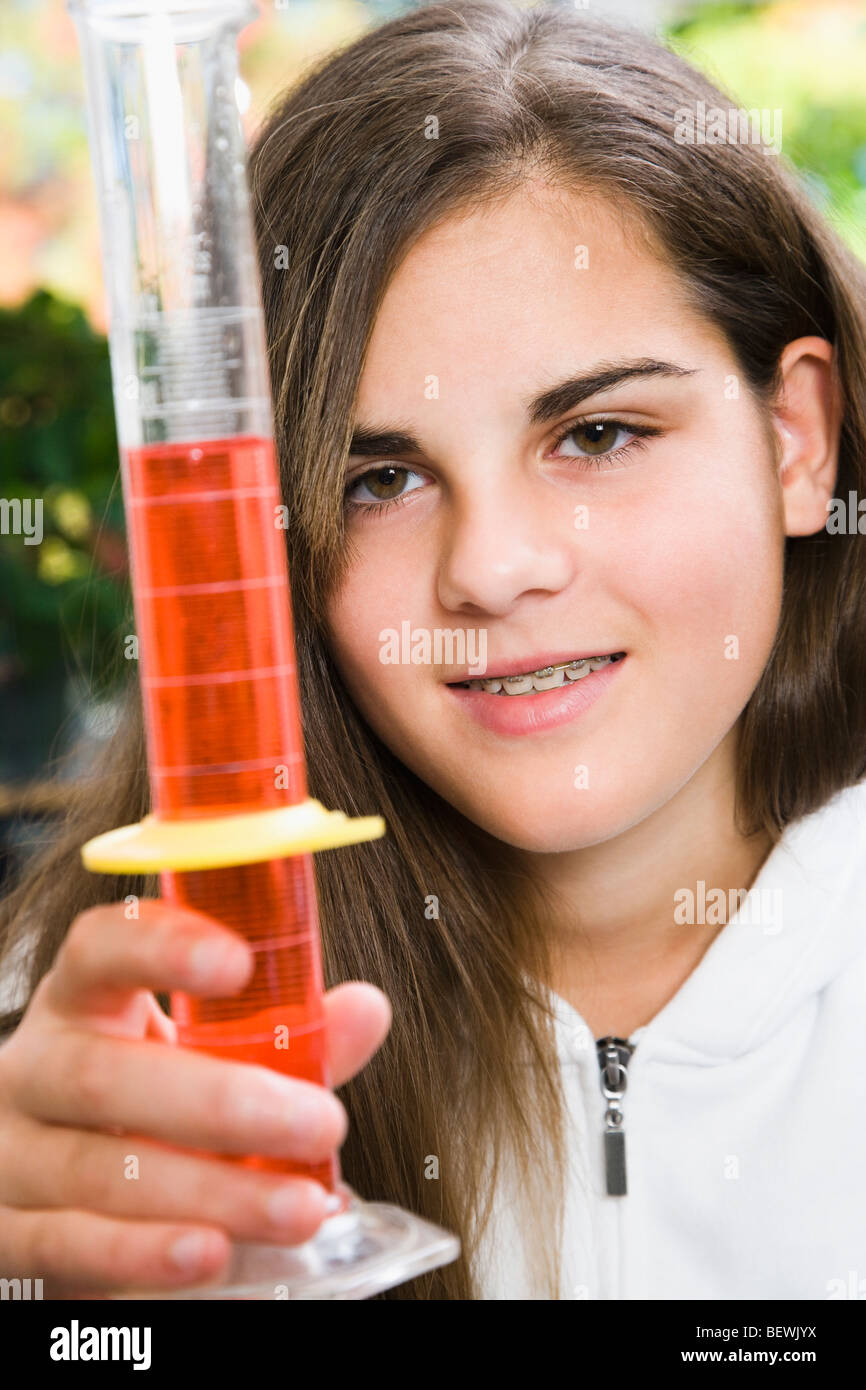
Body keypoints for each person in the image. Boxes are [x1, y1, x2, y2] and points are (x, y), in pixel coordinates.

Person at [1, 0, 865, 1300]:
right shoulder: (94, 1059)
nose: (491, 566)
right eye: (382, 476)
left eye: (597, 434)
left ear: (794, 440)